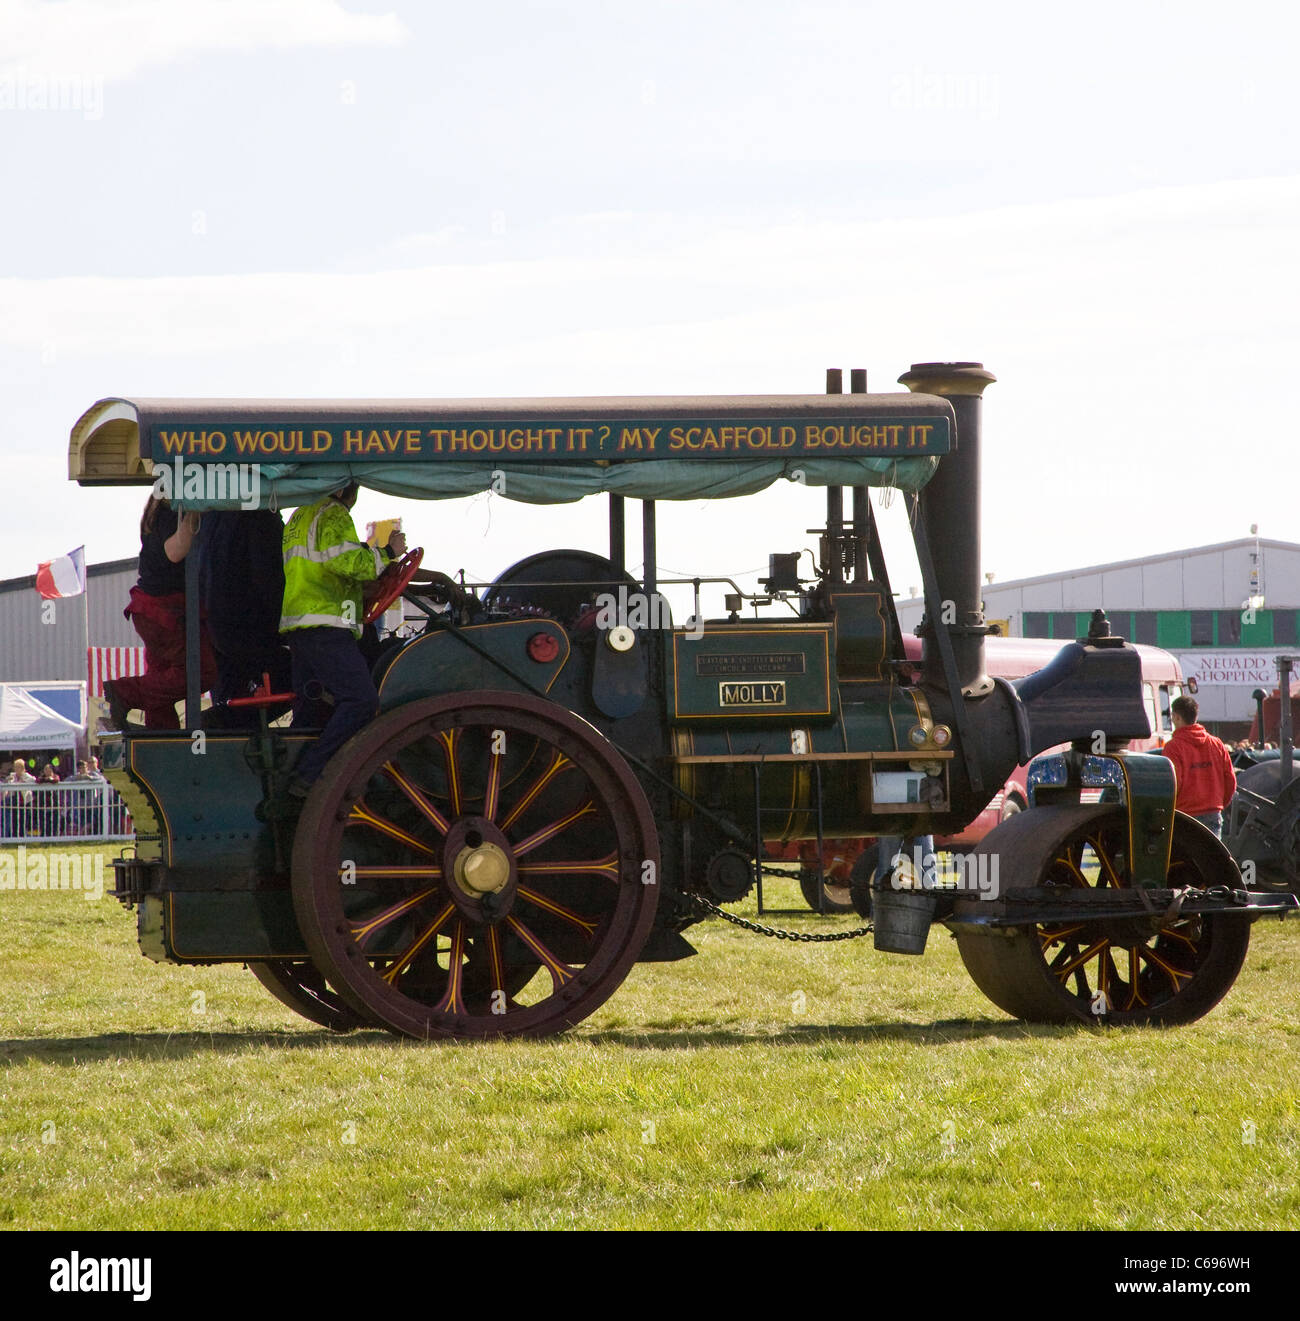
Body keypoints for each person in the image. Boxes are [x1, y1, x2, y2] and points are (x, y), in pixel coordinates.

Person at [280, 481, 405, 796]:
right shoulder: (333, 513)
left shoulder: (300, 515)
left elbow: (321, 569)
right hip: (327, 623)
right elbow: (348, 562)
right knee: (362, 701)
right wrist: (389, 553)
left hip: (301, 623)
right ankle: (311, 778)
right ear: (343, 490)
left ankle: (285, 780)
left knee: (309, 707)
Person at [105, 496, 218, 729]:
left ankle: (161, 734)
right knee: (200, 672)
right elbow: (175, 551)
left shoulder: (156, 512)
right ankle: (124, 692)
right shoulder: (172, 511)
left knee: (162, 673)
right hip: (164, 610)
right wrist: (197, 511)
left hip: (150, 608)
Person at [199, 509, 293, 725]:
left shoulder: (211, 515)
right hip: (248, 630)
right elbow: (270, 581)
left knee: (231, 697)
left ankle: (219, 728)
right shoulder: (261, 518)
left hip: (214, 629)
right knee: (310, 676)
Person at [1162, 695, 1237, 838]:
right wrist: (1217, 803)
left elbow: (1173, 784)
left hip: (1184, 816)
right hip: (1212, 813)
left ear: (1176, 717)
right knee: (1211, 858)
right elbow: (1230, 780)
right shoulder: (1217, 744)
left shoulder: (1173, 748)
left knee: (1185, 859)